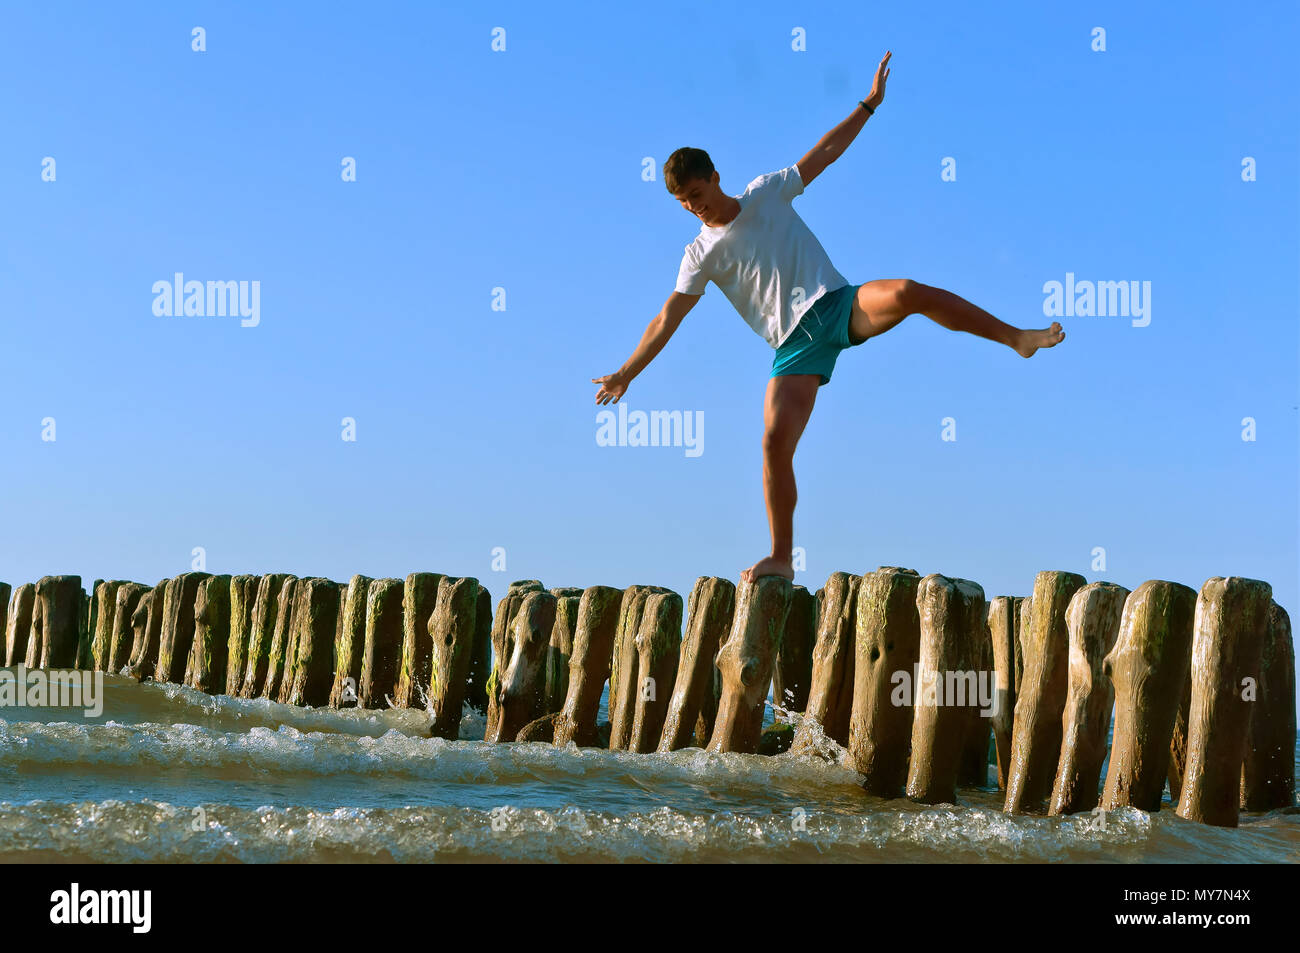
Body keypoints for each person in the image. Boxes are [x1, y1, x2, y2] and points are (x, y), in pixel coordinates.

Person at [593, 51, 1065, 584]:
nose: (692, 207)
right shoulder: (699, 256)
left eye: (696, 195)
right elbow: (667, 318)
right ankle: (781, 558)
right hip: (795, 348)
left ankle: (1016, 337)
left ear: (715, 178)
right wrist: (629, 371)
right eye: (682, 202)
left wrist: (868, 105)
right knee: (774, 443)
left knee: (909, 291)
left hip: (838, 305)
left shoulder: (766, 193)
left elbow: (824, 153)